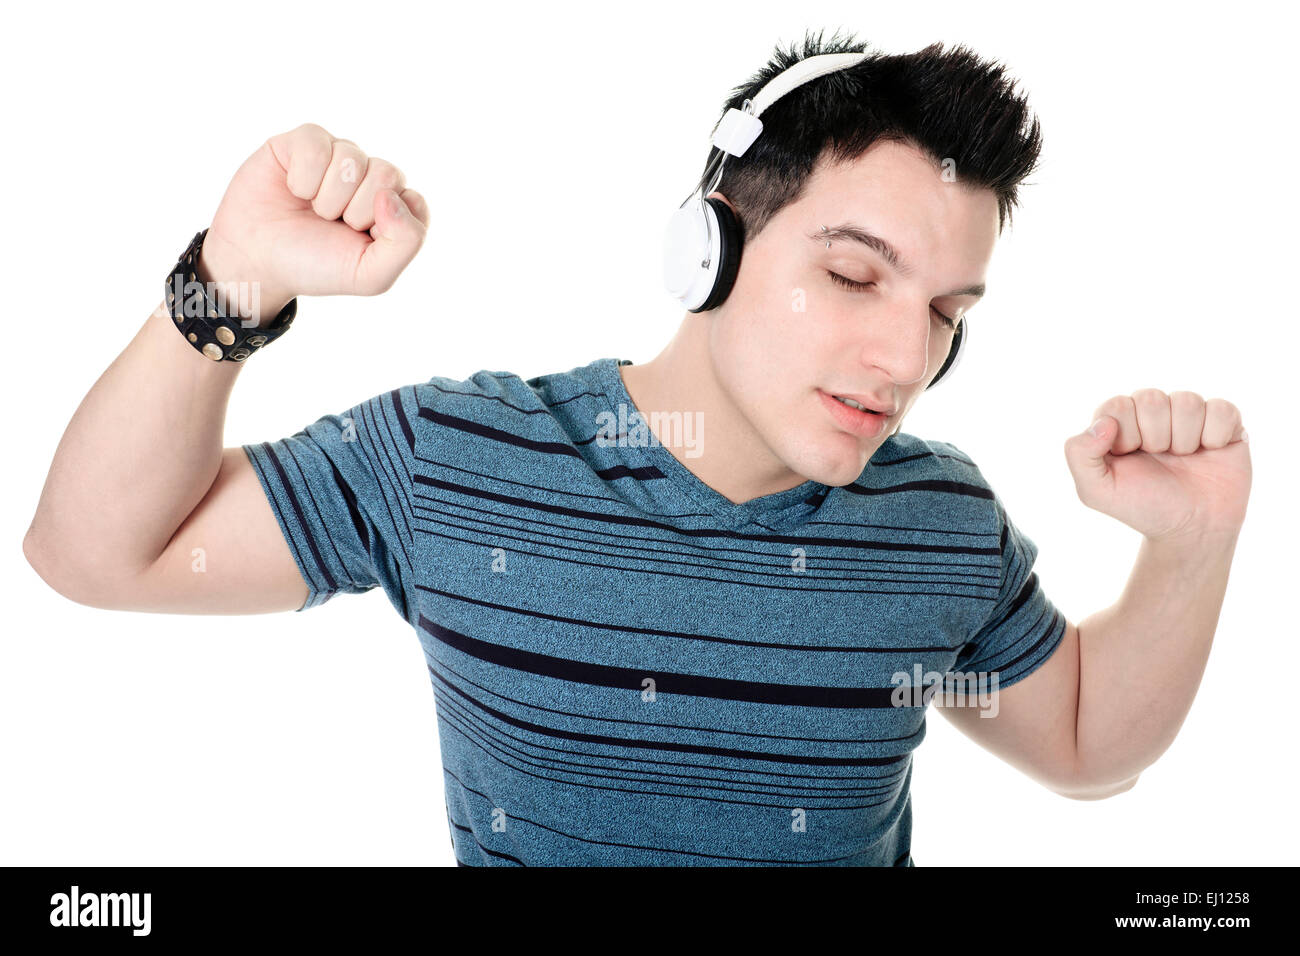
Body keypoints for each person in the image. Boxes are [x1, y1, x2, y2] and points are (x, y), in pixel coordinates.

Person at [22, 30, 1251, 866]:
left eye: (945, 315)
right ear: (702, 249)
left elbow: (1088, 749)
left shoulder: (940, 521)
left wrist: (1193, 542)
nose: (902, 359)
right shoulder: (458, 458)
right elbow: (92, 555)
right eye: (850, 274)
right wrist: (227, 285)